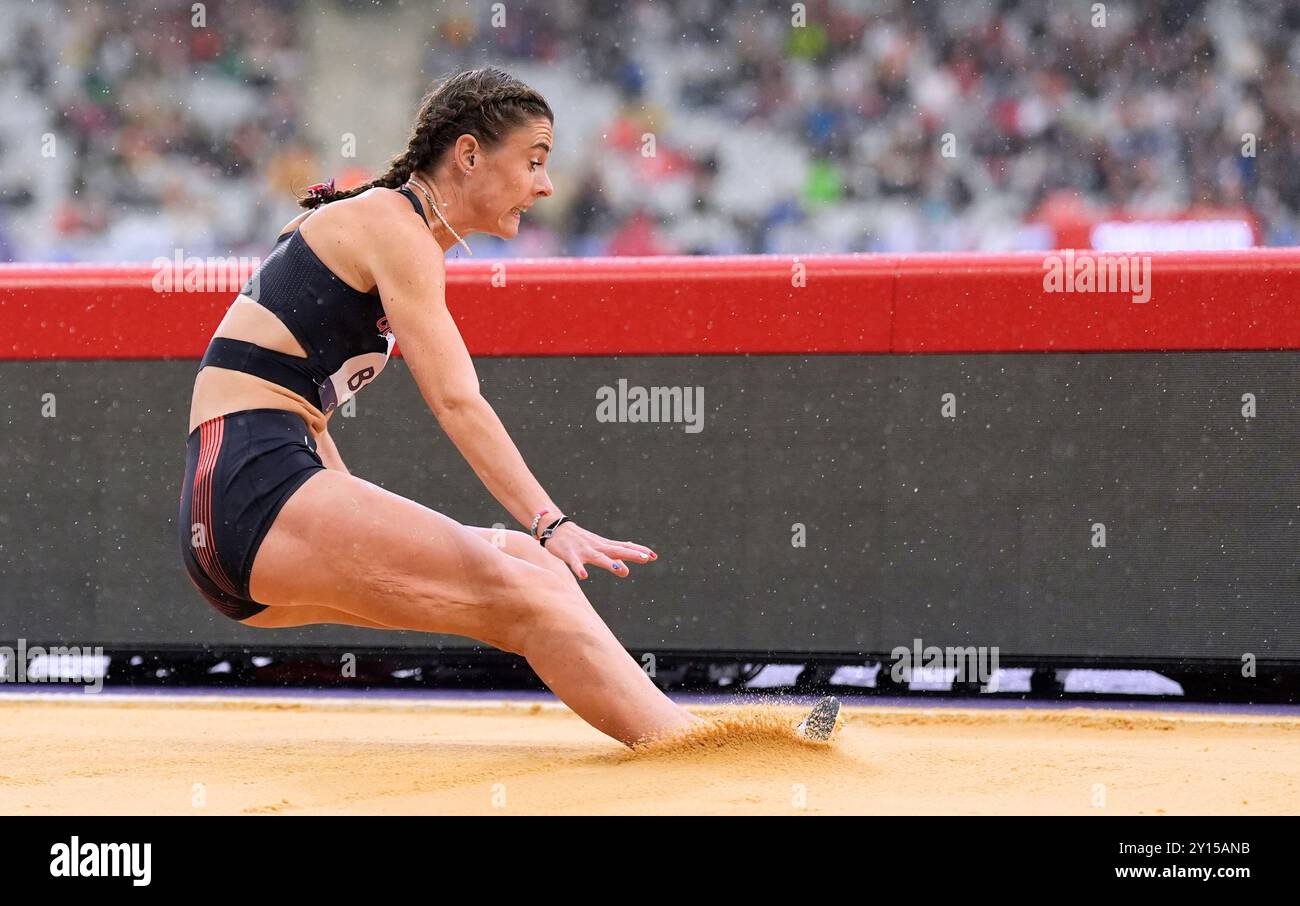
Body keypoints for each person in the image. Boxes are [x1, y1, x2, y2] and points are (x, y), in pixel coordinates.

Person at [178, 66, 837, 747]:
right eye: (534, 161)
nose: (546, 185)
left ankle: (684, 732)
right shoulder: (393, 229)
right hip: (247, 492)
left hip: (247, 503)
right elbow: (458, 402)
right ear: (469, 155)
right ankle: (698, 749)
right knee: (534, 580)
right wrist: (554, 520)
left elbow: (287, 399)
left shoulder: (382, 227)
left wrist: (353, 511)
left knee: (533, 569)